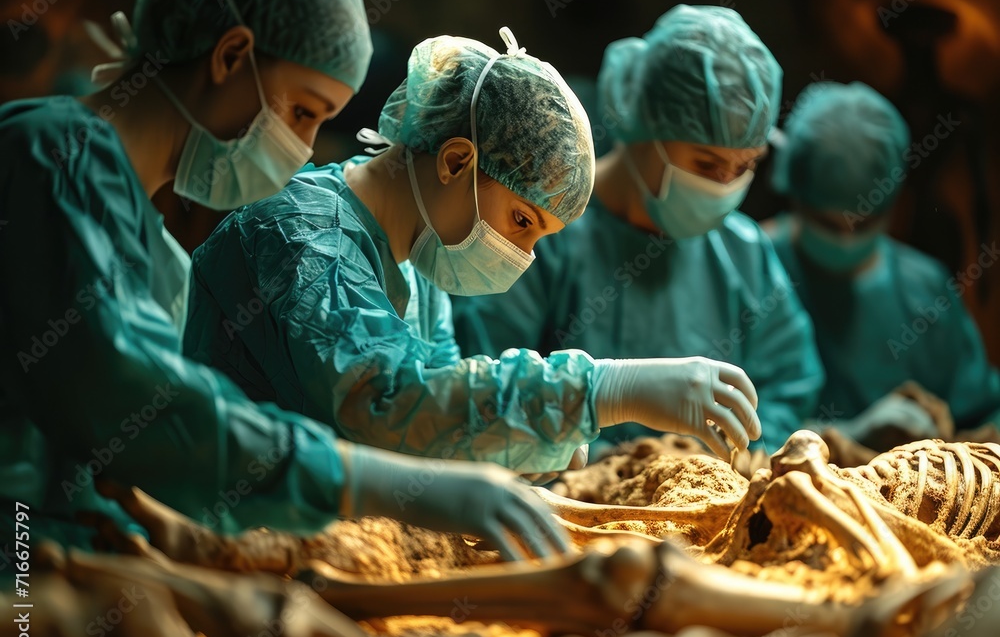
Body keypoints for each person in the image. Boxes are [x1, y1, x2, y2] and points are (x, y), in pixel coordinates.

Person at [0, 0, 571, 566]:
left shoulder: (146, 236)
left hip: (79, 557)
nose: (302, 150)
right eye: (302, 111)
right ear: (229, 56)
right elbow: (149, 412)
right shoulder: (50, 160)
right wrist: (363, 482)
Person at [183, 28, 762, 479]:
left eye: (539, 237)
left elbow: (436, 422)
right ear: (457, 161)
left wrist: (514, 447)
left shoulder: (419, 265)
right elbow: (388, 403)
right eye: (522, 222)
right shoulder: (301, 234)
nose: (523, 255)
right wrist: (602, 389)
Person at [451, 5, 822, 456]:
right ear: (644, 126)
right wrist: (604, 467)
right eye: (706, 164)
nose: (725, 185)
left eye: (745, 166)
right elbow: (481, 399)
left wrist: (734, 453)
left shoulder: (743, 253)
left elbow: (789, 385)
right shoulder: (536, 230)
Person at [763, 81, 1000, 448]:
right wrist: (841, 438)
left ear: (893, 205)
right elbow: (721, 430)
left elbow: (984, 411)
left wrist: (954, 443)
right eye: (827, 224)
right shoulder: (749, 267)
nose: (845, 239)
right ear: (793, 192)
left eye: (864, 223)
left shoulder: (924, 291)